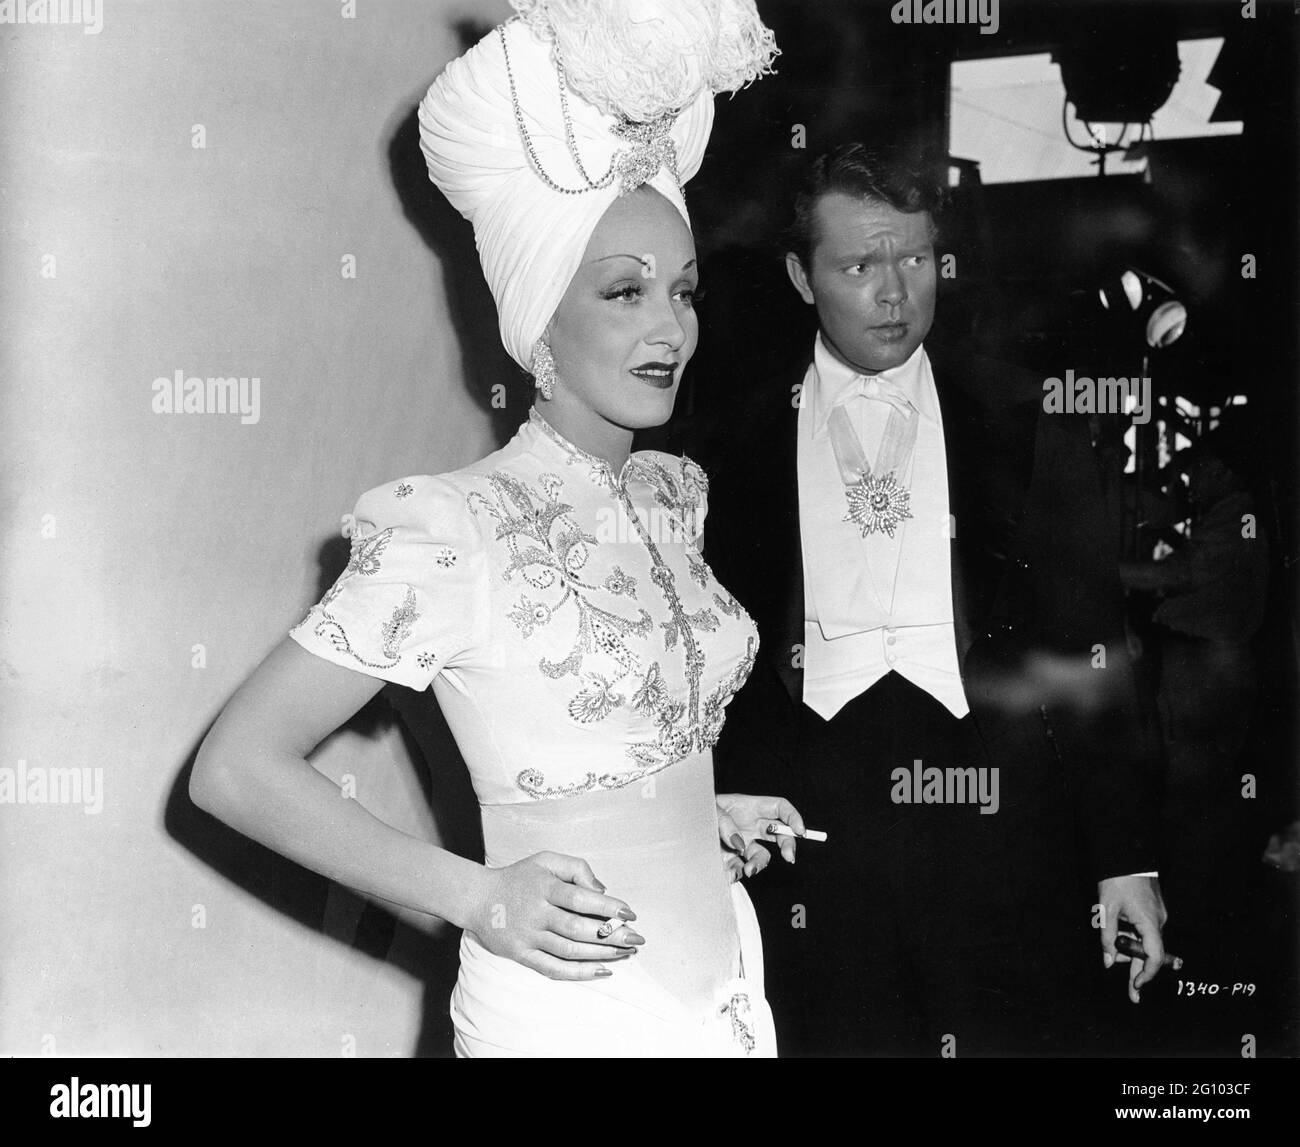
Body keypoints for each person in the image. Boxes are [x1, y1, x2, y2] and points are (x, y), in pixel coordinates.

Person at [190, 0, 802, 1058]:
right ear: (538, 316)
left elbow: (595, 740)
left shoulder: (671, 496)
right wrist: (477, 897)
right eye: (624, 292)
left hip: (726, 993)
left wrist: (688, 814)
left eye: (682, 291)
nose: (670, 327)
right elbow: (236, 767)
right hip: (565, 1018)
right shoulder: (453, 527)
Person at [701, 143, 1170, 1057]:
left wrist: (1126, 856)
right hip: (808, 835)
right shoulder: (725, 444)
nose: (892, 293)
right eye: (857, 265)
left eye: (913, 260)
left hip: (1000, 821)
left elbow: (1093, 645)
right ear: (801, 276)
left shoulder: (1026, 420)